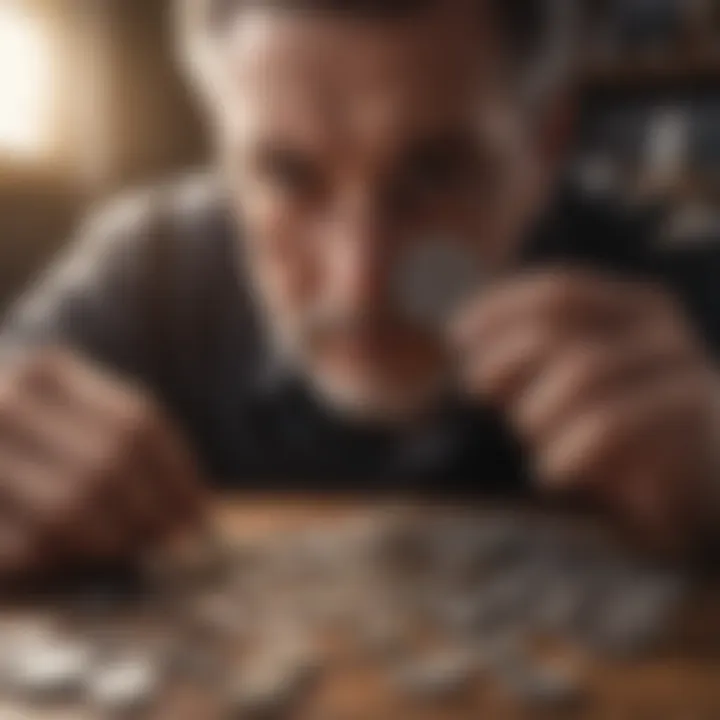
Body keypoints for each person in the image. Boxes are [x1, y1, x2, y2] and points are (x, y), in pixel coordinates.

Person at [0, 0, 718, 580]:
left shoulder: (671, 285)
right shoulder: (147, 267)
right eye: (288, 176)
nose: (360, 279)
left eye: (435, 174)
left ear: (545, 147)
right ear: (223, 150)